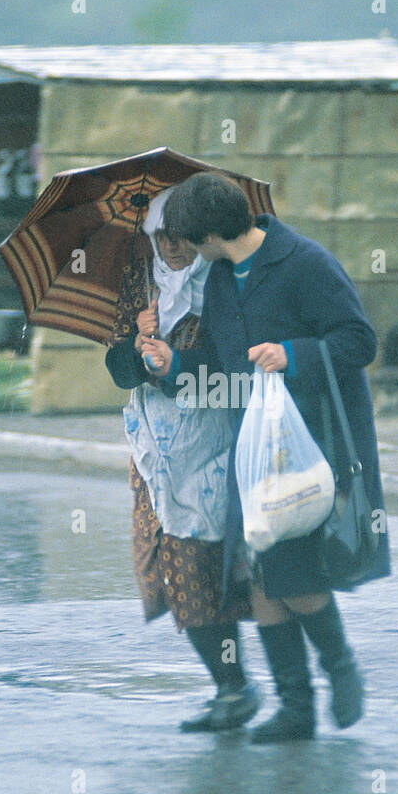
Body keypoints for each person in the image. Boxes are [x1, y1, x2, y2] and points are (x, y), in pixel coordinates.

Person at [145, 172, 392, 744]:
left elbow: (359, 341)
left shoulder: (305, 262)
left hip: (313, 448)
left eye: (189, 240)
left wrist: (292, 354)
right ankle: (296, 708)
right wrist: (171, 366)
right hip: (254, 451)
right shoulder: (223, 280)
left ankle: (340, 667)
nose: (187, 253)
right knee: (262, 578)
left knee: (295, 577)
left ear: (210, 232)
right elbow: (217, 362)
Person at [104, 186, 262, 733]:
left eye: (181, 237)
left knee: (207, 568)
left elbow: (229, 368)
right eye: (162, 237)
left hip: (210, 441)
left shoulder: (224, 280)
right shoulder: (139, 280)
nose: (173, 248)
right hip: (152, 453)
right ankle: (229, 688)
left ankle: (240, 686)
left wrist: (177, 363)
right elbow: (116, 366)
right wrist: (137, 348)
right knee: (167, 573)